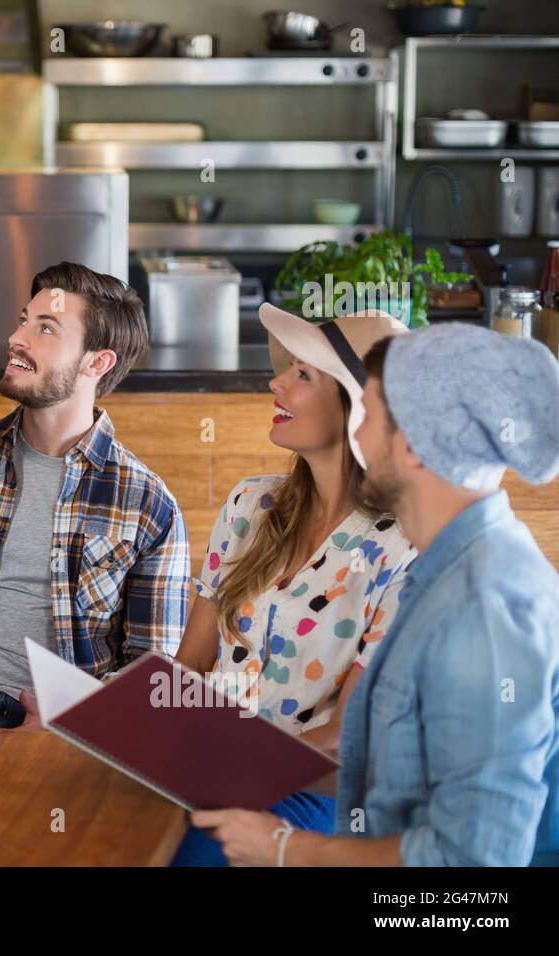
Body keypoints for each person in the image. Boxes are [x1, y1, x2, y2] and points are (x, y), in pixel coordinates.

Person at [194, 323, 559, 866]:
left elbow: (475, 869)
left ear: (412, 444)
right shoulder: (448, 572)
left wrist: (286, 850)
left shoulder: (482, 604)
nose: (358, 436)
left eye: (371, 414)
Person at [0, 262, 189, 728]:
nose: (16, 338)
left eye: (46, 328)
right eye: (24, 319)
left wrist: (69, 724)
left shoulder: (149, 505)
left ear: (96, 362)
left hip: (77, 733)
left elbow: (153, 664)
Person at [169, 306, 415, 866]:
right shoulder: (250, 504)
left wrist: (230, 773)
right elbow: (187, 669)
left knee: (186, 854)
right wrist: (134, 732)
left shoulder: (401, 548)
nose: (276, 381)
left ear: (358, 408)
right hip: (204, 769)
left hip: (311, 796)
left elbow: (346, 745)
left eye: (303, 374)